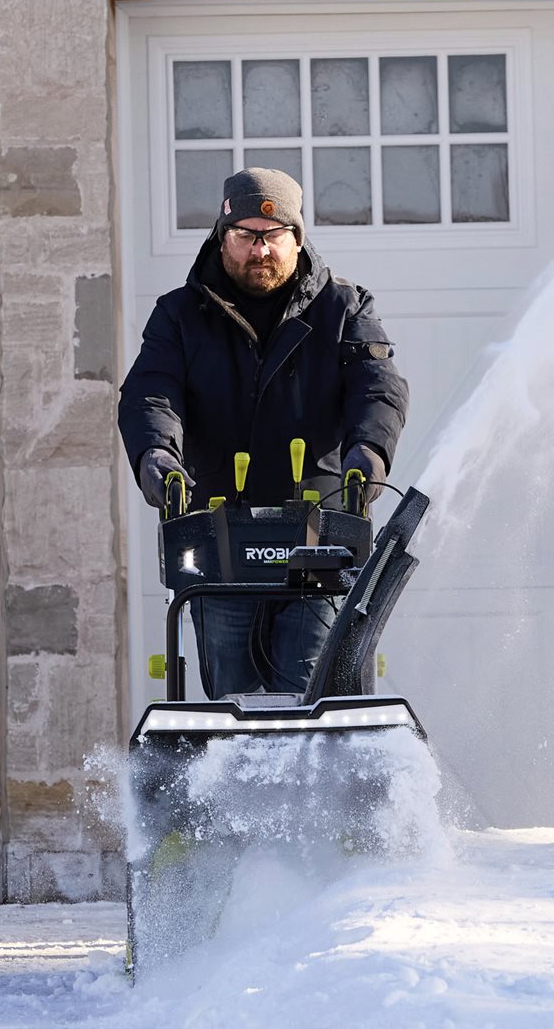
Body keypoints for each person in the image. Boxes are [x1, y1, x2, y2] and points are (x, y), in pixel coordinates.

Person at [118, 167, 408, 697]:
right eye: (246, 236)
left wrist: (369, 451)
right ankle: (234, 781)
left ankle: (308, 781)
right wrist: (156, 456)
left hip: (319, 540)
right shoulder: (180, 316)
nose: (260, 251)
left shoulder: (345, 309)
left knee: (308, 688)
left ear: (297, 238)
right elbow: (150, 394)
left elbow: (378, 388)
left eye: (274, 237)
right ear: (221, 237)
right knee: (233, 697)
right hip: (219, 537)